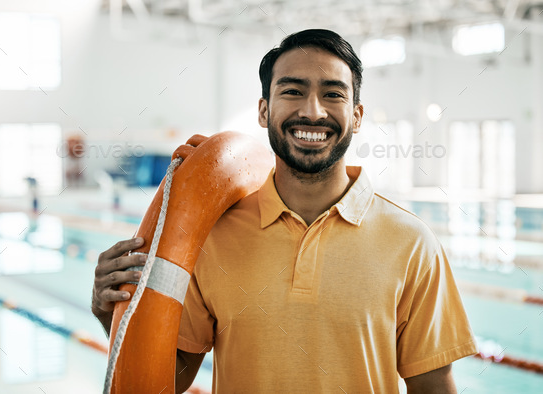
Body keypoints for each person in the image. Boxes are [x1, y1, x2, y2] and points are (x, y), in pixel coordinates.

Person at [92, 29, 477, 393]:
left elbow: (433, 387)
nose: (313, 112)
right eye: (293, 91)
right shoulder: (214, 236)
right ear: (264, 111)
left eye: (333, 94)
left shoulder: (411, 244)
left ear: (356, 117)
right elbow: (166, 379)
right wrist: (115, 313)